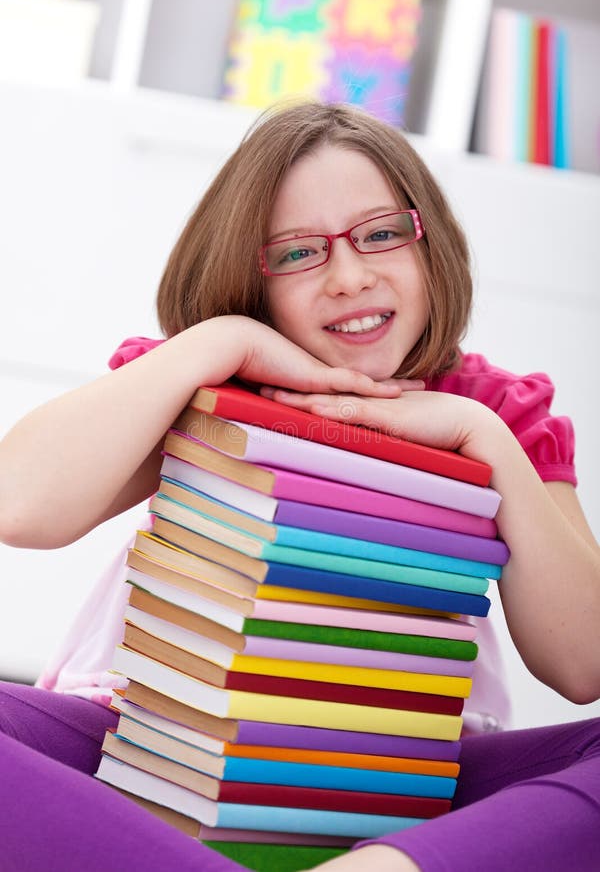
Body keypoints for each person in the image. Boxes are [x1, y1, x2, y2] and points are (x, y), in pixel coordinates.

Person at [0, 100, 599, 872]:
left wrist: (484, 440)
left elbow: (582, 665)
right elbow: (20, 504)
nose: (351, 277)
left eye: (382, 234)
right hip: (157, 749)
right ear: (250, 278)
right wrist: (224, 342)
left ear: (431, 243)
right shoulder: (206, 378)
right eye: (296, 254)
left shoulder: (494, 411)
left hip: (406, 785)